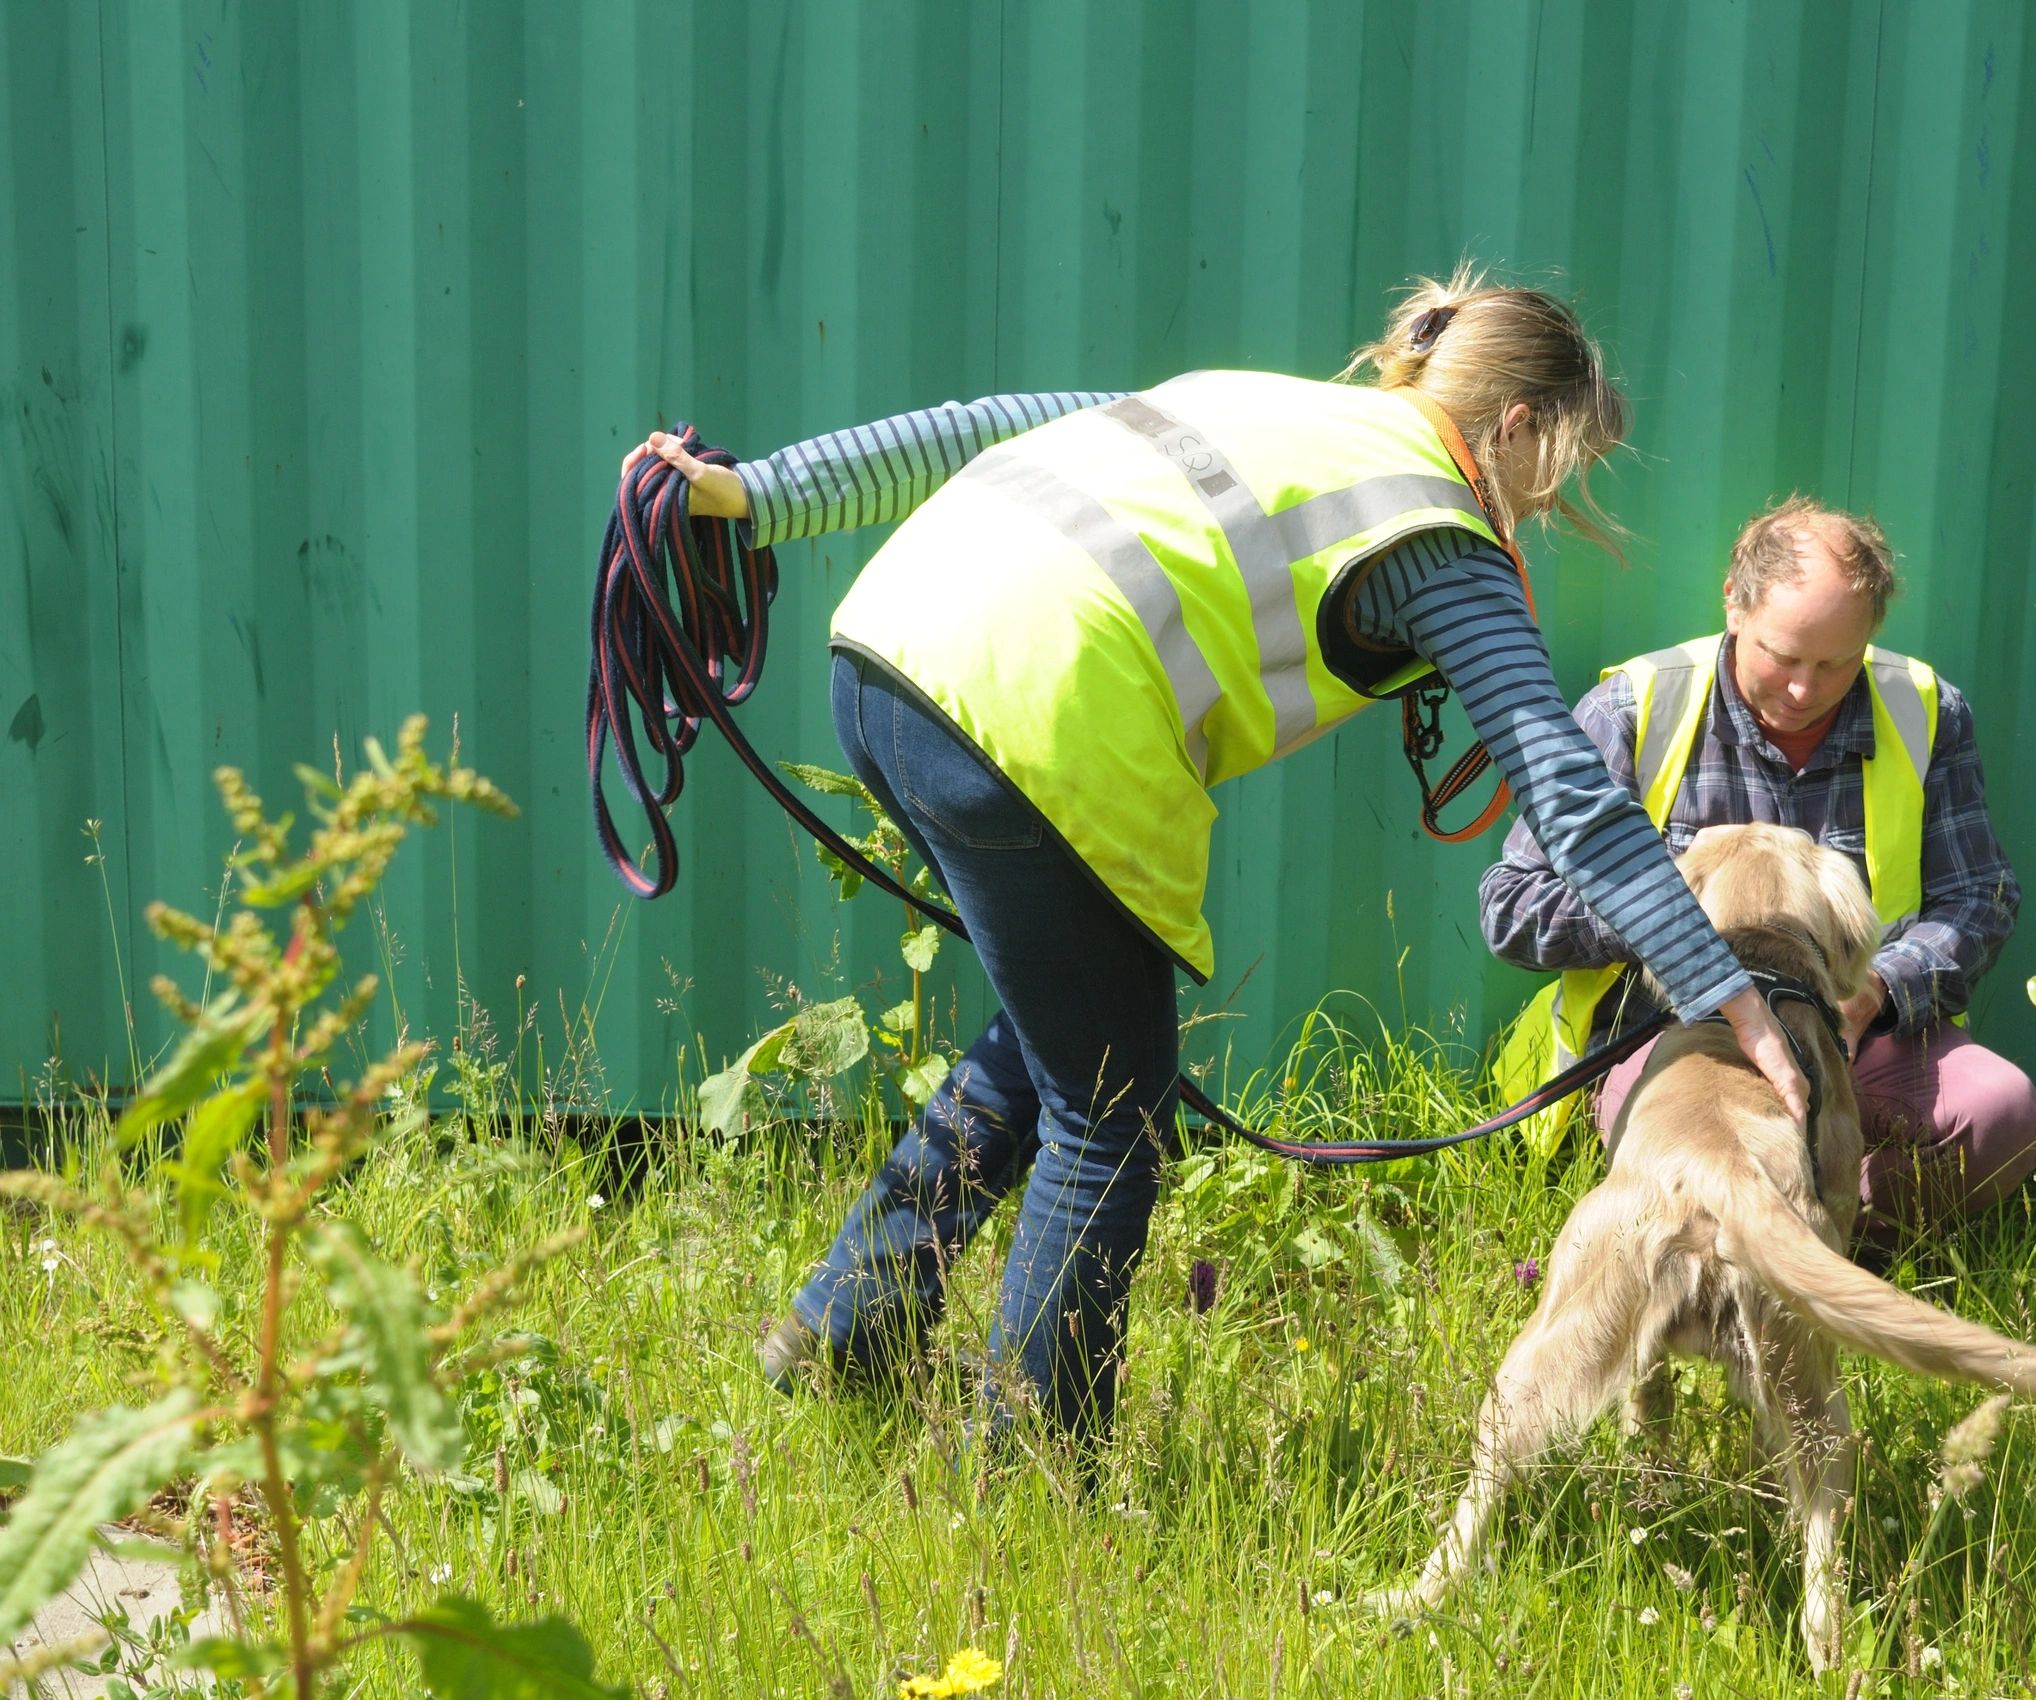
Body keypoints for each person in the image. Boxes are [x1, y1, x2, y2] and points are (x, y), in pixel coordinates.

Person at [620, 268, 1811, 1446]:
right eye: (1558, 474)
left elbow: (979, 429)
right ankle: (1030, 1469)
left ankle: (843, 1327)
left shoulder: (1259, 402)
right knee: (1110, 1111)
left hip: (884, 661)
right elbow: (1567, 789)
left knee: (1057, 1038)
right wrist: (1728, 995)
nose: (1546, 507)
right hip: (1038, 724)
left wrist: (752, 493)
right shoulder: (1435, 529)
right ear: (1510, 427)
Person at [1482, 497, 2036, 1252]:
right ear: (1734, 606)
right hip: (1674, 1037)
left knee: (2001, 1115)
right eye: (1784, 656)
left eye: (1836, 663)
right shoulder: (1633, 709)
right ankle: (1721, 1256)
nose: (1806, 690)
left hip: (1858, 1036)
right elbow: (1514, 909)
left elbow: (1979, 897)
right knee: (1688, 1155)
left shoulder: (1925, 711)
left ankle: (1833, 1253)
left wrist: (1876, 991)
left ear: (1871, 635)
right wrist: (1666, 915)